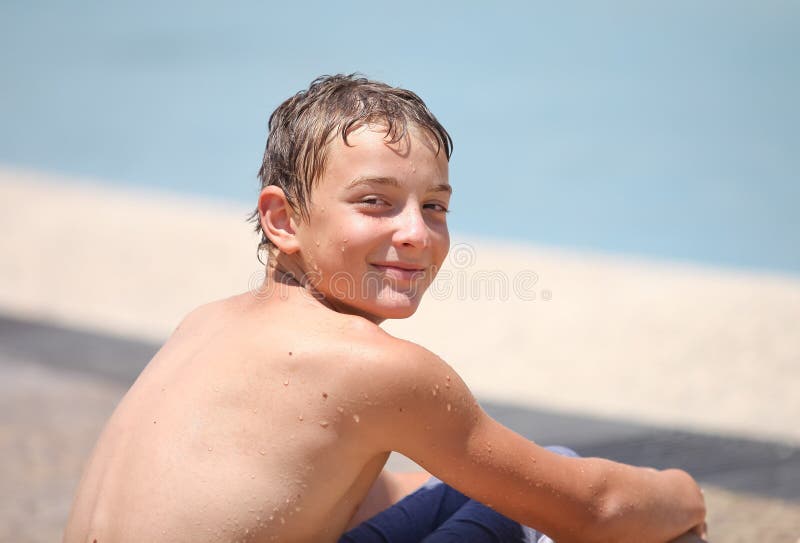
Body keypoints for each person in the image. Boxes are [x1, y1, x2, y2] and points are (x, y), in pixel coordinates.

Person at [63, 74, 707, 543]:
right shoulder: (374, 369)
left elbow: (326, 494)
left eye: (434, 206)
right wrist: (683, 494)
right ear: (283, 219)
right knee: (595, 499)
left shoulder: (208, 322)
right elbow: (594, 509)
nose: (417, 234)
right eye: (375, 202)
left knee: (489, 486)